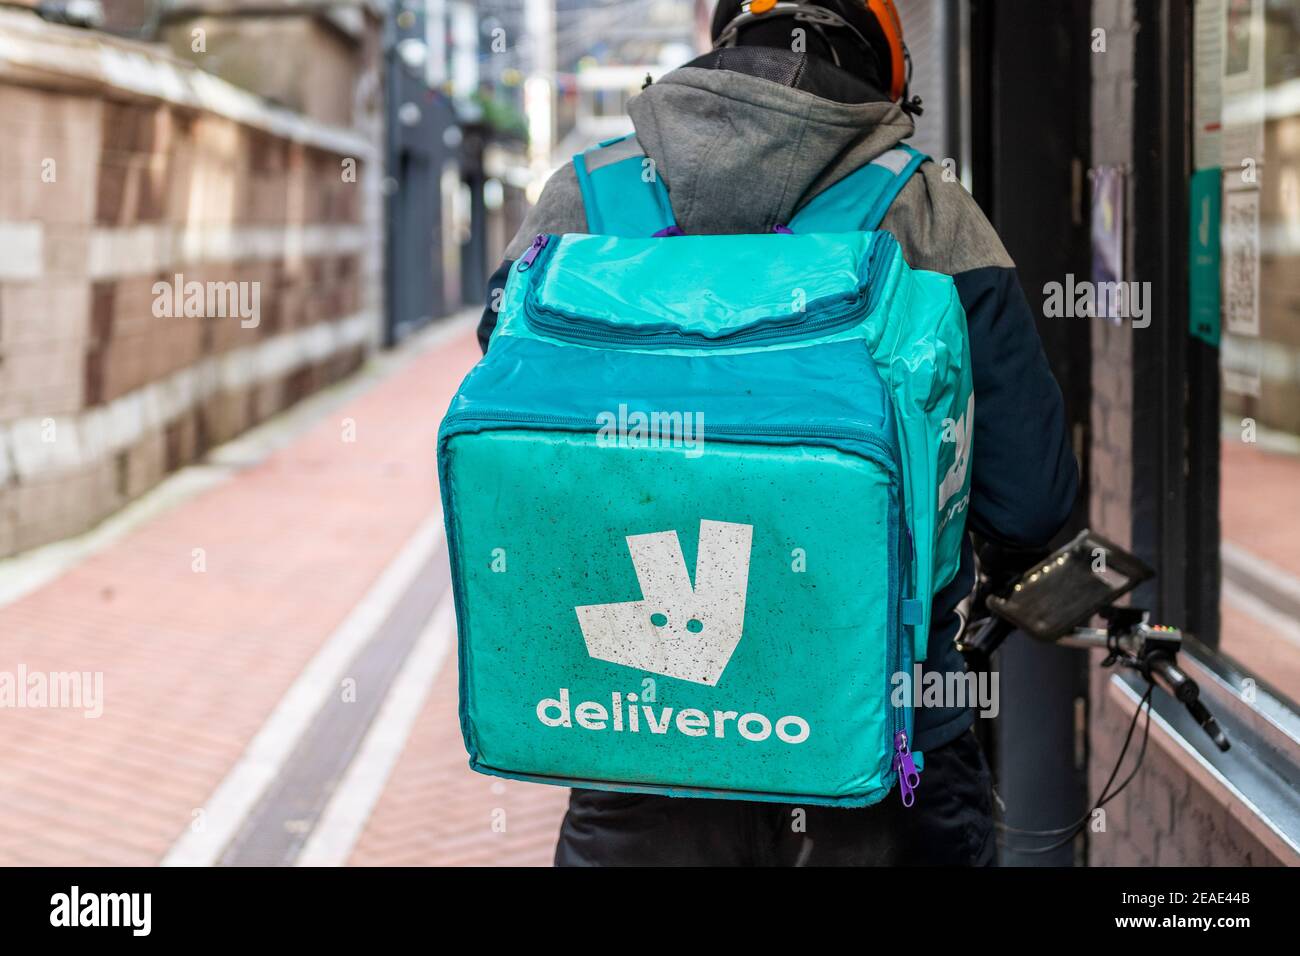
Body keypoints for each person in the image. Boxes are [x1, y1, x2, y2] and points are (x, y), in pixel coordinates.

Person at [475, 0, 1078, 866]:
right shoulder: (929, 212)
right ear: (888, 74)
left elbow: (516, 397)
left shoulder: (587, 193)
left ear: (719, 45)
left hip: (636, 736)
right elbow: (1030, 502)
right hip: (878, 749)